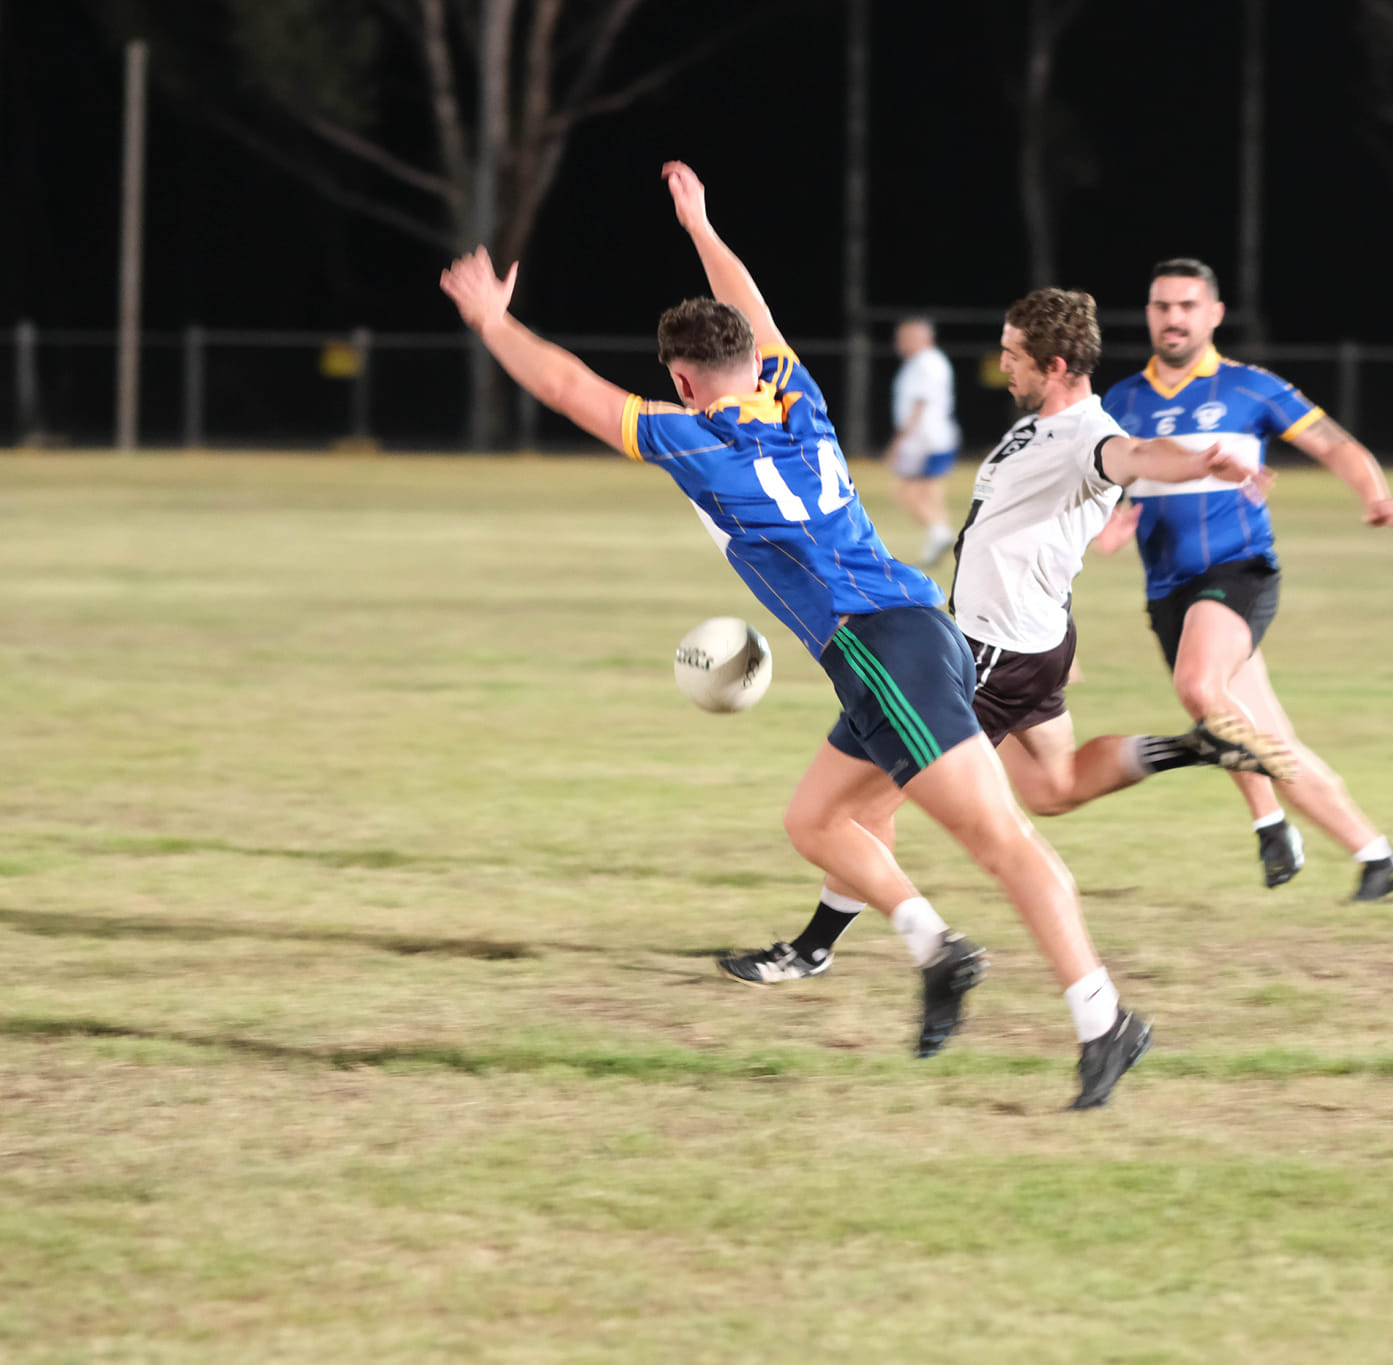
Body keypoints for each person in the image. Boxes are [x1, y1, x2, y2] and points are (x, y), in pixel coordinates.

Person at [437, 161, 1149, 1108]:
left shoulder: (698, 437)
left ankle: (1105, 1019)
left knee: (1002, 840)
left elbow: (571, 387)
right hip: (894, 638)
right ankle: (937, 949)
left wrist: (491, 322)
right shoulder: (793, 391)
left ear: (684, 381)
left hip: (883, 647)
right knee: (816, 821)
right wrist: (698, 223)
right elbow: (752, 308)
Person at [719, 287, 1295, 986]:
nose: (1002, 364)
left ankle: (812, 949)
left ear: (1054, 365)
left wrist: (1203, 462)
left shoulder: (1087, 435)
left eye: (1012, 354)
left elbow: (1141, 454)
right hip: (1035, 645)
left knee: (858, 807)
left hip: (988, 654)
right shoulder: (1040, 424)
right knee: (1053, 787)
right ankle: (1192, 745)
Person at [1097, 257, 1393, 900]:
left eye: (1188, 306)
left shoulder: (1250, 388)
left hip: (1238, 569)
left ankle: (1272, 824)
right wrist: (1101, 531)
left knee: (1199, 685)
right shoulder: (1120, 401)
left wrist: (1374, 495)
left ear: (1213, 315)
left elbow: (1334, 443)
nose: (1174, 318)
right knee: (1249, 726)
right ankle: (1373, 855)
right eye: (1162, 306)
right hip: (1167, 589)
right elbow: (1100, 490)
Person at [885, 318, 961, 568]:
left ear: (922, 338)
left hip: (926, 439)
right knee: (930, 496)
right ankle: (938, 539)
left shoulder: (925, 363)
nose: (900, 343)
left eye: (905, 338)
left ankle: (940, 533)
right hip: (934, 437)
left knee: (905, 493)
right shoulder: (927, 361)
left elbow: (920, 403)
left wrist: (899, 441)